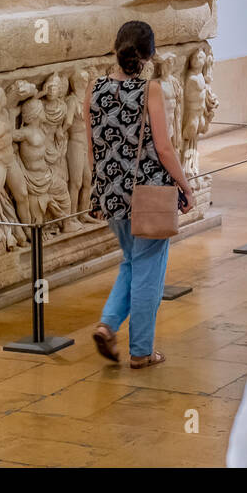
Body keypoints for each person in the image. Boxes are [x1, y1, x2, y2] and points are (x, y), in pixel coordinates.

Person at [87, 20, 194, 367]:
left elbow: (92, 148)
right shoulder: (150, 91)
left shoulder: (94, 89)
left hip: (111, 194)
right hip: (148, 195)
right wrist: (185, 185)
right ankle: (142, 351)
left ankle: (107, 324)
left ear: (116, 48)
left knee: (131, 262)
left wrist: (99, 190)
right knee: (149, 269)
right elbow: (164, 148)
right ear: (148, 55)